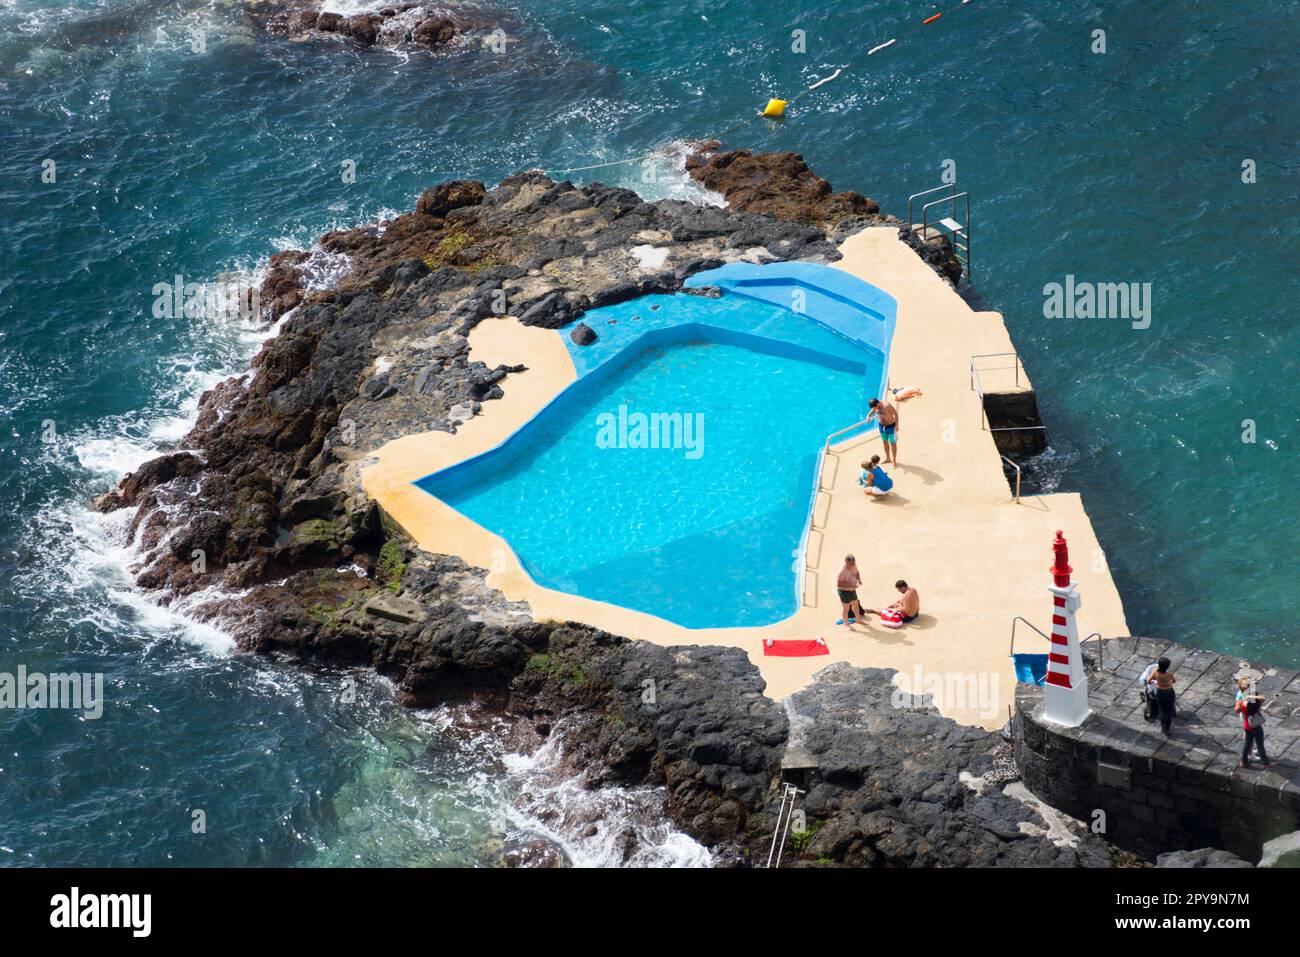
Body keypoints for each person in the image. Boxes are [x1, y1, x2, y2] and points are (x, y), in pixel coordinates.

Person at [865, 397, 899, 465]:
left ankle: (894, 460)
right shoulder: (875, 406)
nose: (874, 409)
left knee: (893, 444)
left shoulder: (887, 405)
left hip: (891, 426)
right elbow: (873, 409)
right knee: (885, 442)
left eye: (874, 408)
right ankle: (888, 458)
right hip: (881, 427)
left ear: (878, 404)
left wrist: (897, 426)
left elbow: (896, 414)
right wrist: (868, 415)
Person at [1240, 699, 1271, 769]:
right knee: (1260, 745)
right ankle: (1266, 763)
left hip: (1247, 727)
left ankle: (1243, 762)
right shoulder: (1255, 706)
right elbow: (1262, 699)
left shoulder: (1243, 704)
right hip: (1256, 727)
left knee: (1247, 745)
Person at [835, 555, 864, 626]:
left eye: (854, 562)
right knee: (846, 608)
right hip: (844, 592)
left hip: (852, 590)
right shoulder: (842, 571)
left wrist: (859, 579)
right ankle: (846, 624)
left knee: (856, 605)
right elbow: (839, 584)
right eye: (852, 563)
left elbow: (857, 572)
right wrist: (852, 585)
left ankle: (858, 620)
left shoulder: (854, 566)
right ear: (847, 562)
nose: (853, 564)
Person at [1152, 657, 1176, 735]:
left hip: (1160, 692)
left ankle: (1163, 726)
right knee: (1168, 711)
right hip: (1168, 692)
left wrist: (1158, 682)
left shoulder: (1155, 672)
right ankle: (1166, 728)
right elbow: (1174, 681)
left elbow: (1149, 681)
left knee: (1162, 709)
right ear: (1167, 666)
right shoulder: (1169, 674)